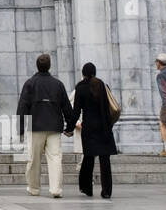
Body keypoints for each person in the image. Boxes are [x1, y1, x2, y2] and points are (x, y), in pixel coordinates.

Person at [16, 53, 77, 198]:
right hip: (54, 127)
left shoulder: (30, 83)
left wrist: (20, 128)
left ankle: (34, 188)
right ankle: (56, 189)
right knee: (55, 158)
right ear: (49, 66)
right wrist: (70, 127)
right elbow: (67, 108)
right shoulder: (58, 84)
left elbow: (23, 106)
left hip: (35, 126)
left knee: (34, 159)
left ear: (37, 66)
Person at [66, 63, 117, 198]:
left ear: (83, 73)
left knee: (88, 158)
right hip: (104, 126)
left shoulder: (81, 88)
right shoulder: (102, 86)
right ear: (94, 72)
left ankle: (86, 188)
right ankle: (106, 191)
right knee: (104, 159)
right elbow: (107, 108)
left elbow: (76, 112)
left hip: (89, 127)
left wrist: (69, 128)